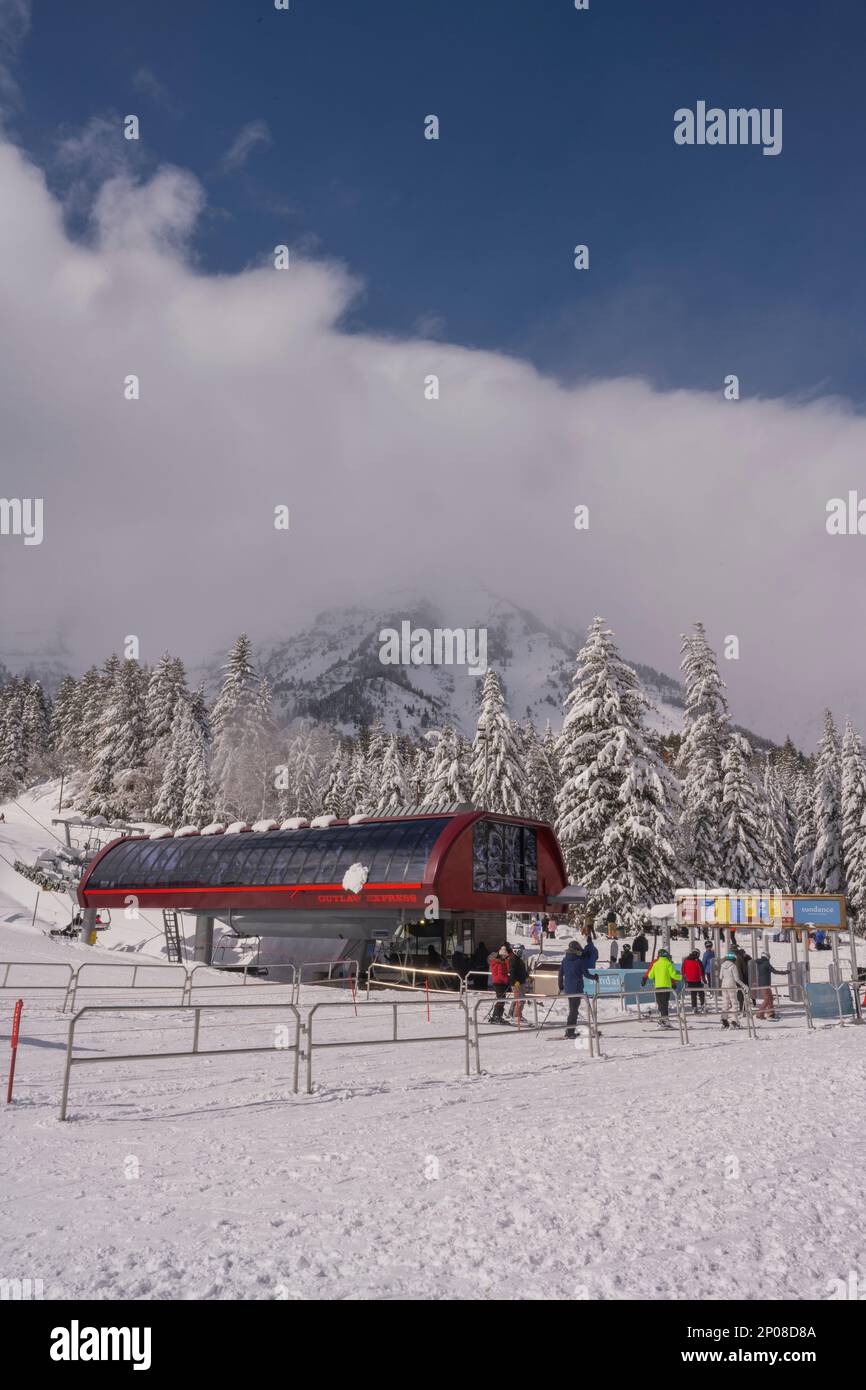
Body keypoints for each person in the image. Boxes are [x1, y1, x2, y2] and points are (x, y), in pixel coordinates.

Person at [558, 939, 593, 1038]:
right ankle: (569, 1032)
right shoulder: (579, 961)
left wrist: (560, 985)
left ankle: (570, 1031)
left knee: (573, 1010)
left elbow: (560, 974)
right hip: (577, 989)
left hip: (568, 989)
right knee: (573, 1011)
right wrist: (594, 977)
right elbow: (586, 974)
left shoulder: (565, 960)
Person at [642, 948, 682, 1029]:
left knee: (660, 1004)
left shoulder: (655, 963)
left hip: (657, 987)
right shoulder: (668, 963)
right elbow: (673, 975)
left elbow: (650, 975)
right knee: (664, 1004)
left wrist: (646, 978)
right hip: (666, 986)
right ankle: (665, 1021)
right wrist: (681, 977)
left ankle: (661, 1021)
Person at [753, 951, 785, 1019]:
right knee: (767, 999)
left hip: (762, 983)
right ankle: (760, 1013)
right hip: (765, 984)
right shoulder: (766, 963)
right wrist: (785, 972)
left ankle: (771, 1013)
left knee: (770, 998)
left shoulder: (759, 963)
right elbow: (775, 971)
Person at [719, 951, 743, 1029]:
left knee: (725, 1002)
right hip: (731, 985)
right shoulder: (733, 966)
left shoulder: (722, 965)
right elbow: (736, 979)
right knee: (734, 1003)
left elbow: (720, 977)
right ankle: (734, 1020)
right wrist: (744, 985)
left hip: (723, 985)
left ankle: (724, 1019)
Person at [488, 946, 512, 1022]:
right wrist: (507, 981)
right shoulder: (500, 963)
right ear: (502, 955)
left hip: (498, 983)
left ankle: (497, 1015)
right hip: (499, 983)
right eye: (505, 956)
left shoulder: (499, 962)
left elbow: (507, 969)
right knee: (501, 1000)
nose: (506, 957)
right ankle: (496, 1016)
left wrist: (507, 962)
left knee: (501, 1000)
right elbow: (501, 975)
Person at [507, 944, 529, 1020]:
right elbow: (512, 972)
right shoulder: (513, 960)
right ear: (516, 951)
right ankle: (516, 1016)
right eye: (520, 951)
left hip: (521, 982)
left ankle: (511, 1014)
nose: (522, 953)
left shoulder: (519, 959)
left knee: (516, 999)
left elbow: (522, 970)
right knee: (521, 1000)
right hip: (517, 983)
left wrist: (527, 976)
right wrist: (515, 981)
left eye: (522, 951)